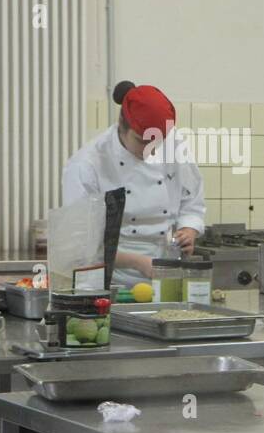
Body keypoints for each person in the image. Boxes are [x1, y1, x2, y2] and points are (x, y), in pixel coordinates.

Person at [62, 81, 206, 287]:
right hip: (110, 282)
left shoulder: (174, 146)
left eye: (158, 142)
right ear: (122, 126)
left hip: (166, 274)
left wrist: (188, 229)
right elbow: (83, 242)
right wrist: (138, 263)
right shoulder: (87, 164)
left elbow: (192, 199)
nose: (152, 151)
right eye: (142, 141)